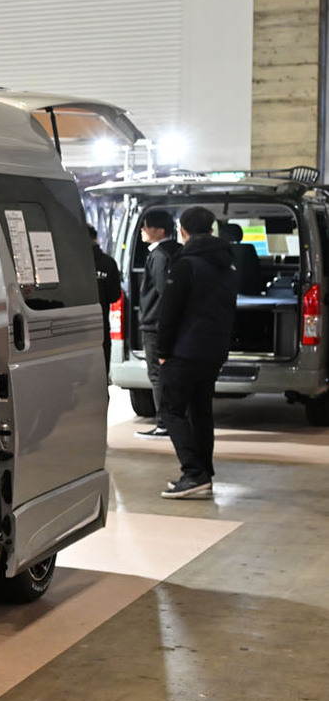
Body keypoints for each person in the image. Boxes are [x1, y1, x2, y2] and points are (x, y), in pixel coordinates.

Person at [156, 206, 238, 499]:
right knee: (201, 411)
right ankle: (204, 473)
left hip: (184, 350)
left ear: (182, 230)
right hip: (214, 350)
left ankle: (193, 473)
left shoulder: (185, 264)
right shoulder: (228, 264)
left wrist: (163, 351)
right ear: (212, 229)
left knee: (171, 410)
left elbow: (170, 312)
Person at [135, 208, 181, 438]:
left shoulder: (159, 255)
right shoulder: (177, 251)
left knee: (157, 375)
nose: (142, 230)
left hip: (156, 325)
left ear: (160, 230)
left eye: (146, 226)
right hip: (169, 325)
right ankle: (173, 420)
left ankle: (163, 423)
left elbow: (165, 293)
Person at [88, 224, 122, 372]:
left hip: (76, 328)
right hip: (101, 325)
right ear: (96, 238)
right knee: (101, 372)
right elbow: (115, 296)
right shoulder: (108, 263)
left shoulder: (72, 263)